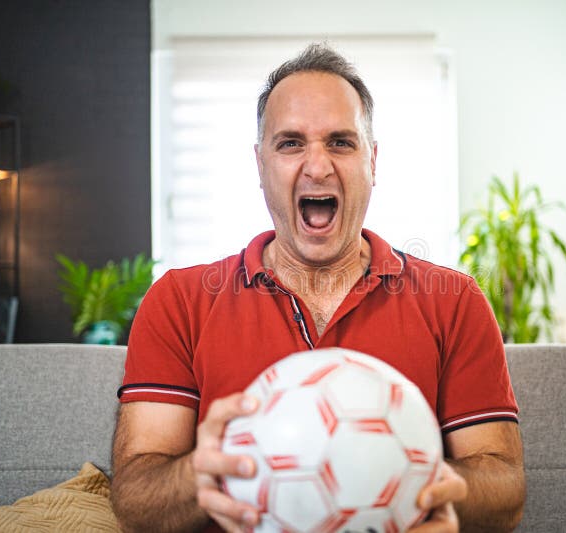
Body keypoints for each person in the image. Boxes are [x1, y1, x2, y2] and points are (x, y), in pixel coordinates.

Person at [110, 43, 525, 533]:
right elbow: (136, 498)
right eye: (290, 143)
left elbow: (504, 490)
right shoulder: (179, 301)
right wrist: (201, 471)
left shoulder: (454, 301)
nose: (318, 166)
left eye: (341, 142)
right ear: (260, 164)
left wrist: (410, 478)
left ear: (373, 162)